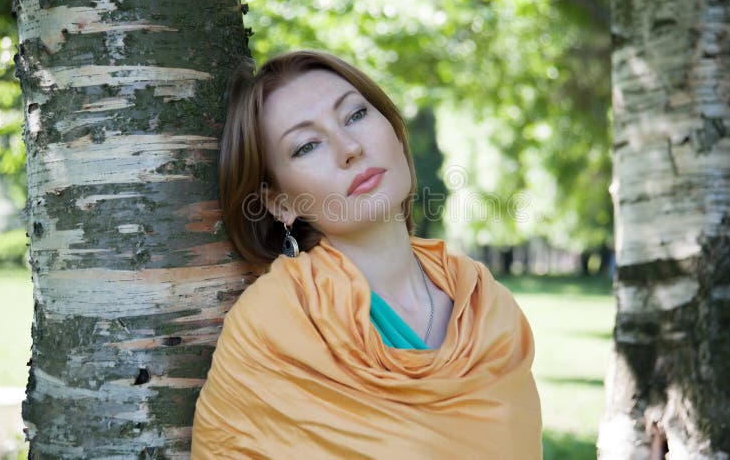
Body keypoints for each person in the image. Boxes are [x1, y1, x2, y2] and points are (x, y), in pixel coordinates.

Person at [191, 49, 543, 458]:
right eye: (306, 146)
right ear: (279, 202)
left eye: (356, 115)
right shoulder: (271, 329)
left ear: (392, 129)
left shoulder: (487, 305)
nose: (349, 147)